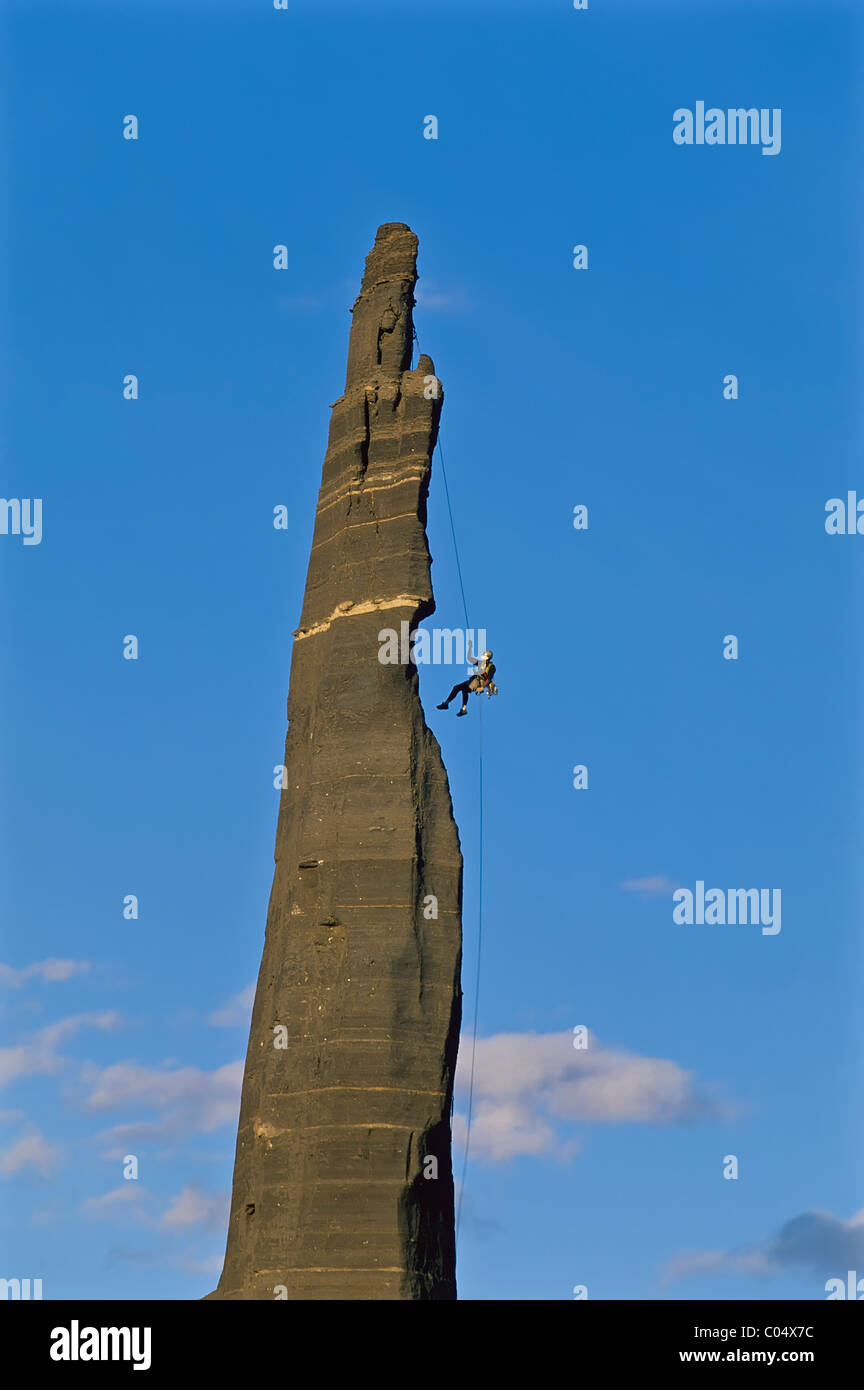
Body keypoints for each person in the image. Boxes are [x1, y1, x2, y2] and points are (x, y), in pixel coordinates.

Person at [437, 645, 496, 717]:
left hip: (480, 682)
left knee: (465, 689)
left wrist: (482, 687)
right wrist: (470, 648)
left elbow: (488, 679)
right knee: (456, 687)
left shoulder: (492, 667)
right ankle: (446, 704)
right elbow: (470, 659)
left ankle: (463, 709)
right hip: (475, 680)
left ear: (488, 659)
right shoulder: (481, 663)